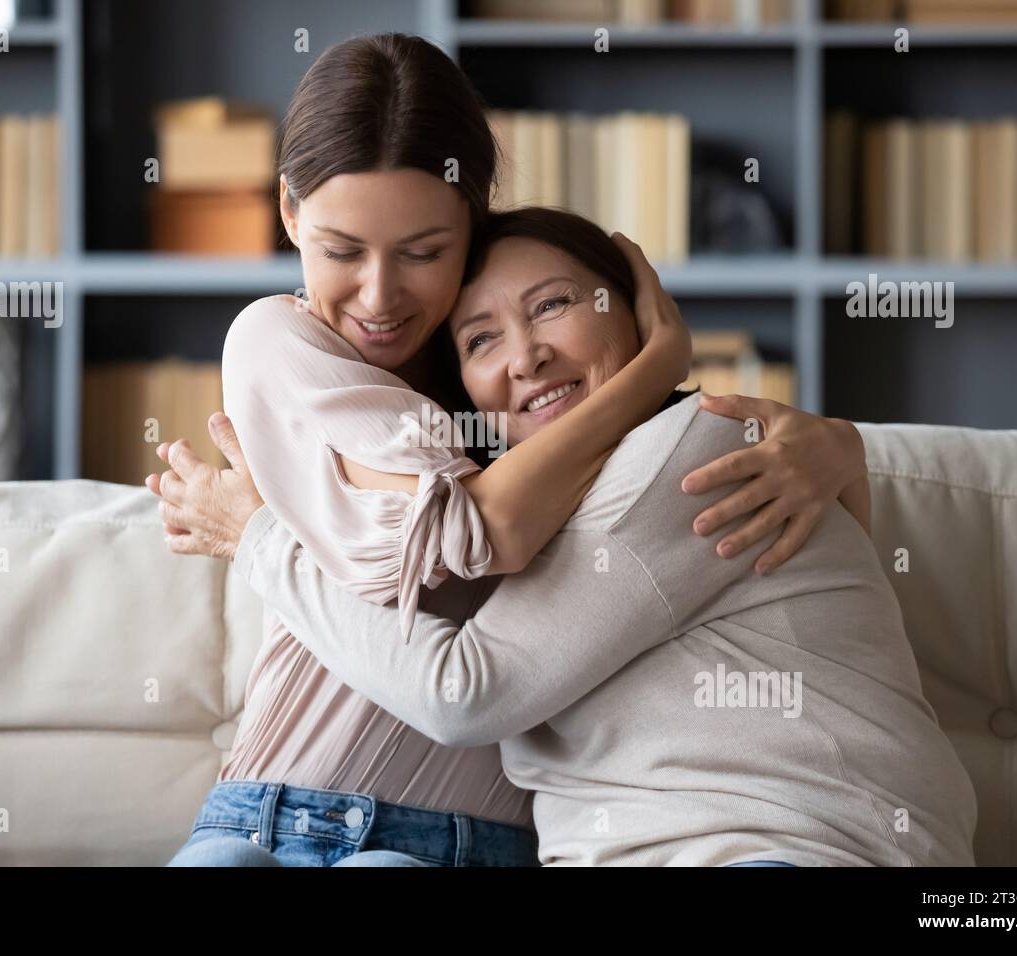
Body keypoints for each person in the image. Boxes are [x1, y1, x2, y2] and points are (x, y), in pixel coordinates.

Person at [152, 34, 871, 868]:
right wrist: (656, 366)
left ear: (471, 217)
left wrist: (839, 445)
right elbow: (468, 534)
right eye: (341, 250)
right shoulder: (282, 341)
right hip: (265, 803)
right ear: (289, 214)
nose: (379, 297)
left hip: (460, 841)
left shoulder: (510, 386)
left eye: (423, 252)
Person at [168, 207, 979, 867]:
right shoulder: (526, 514)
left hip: (790, 849)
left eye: (554, 305)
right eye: (481, 340)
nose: (527, 356)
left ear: (629, 308)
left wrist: (259, 538)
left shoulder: (691, 448)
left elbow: (464, 694)